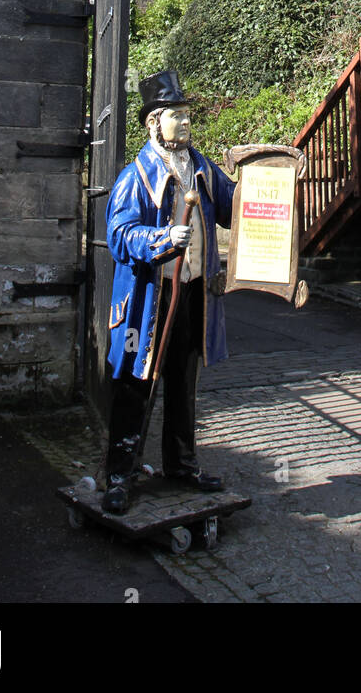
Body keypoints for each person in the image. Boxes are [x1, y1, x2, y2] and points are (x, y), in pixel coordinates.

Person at [102, 69, 234, 514]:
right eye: (175, 115)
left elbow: (234, 204)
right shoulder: (134, 177)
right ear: (153, 122)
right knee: (137, 384)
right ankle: (120, 473)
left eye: (187, 115)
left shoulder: (200, 166)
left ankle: (181, 464)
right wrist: (161, 240)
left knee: (184, 381)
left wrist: (273, 180)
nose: (185, 123)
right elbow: (120, 235)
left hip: (192, 295)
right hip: (149, 303)